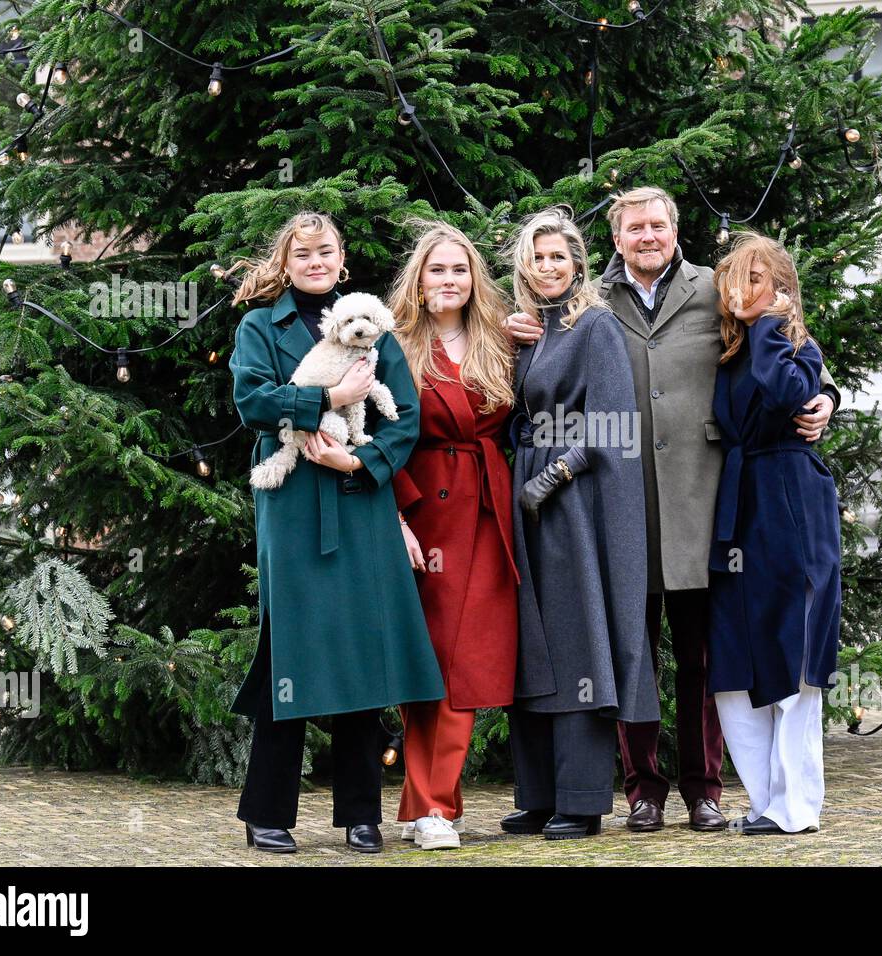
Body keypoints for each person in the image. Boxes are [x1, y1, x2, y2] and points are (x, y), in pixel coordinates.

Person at [504, 186, 840, 832]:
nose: (648, 236)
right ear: (616, 238)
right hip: (616, 504)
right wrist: (524, 329)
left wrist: (827, 392)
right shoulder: (586, 304)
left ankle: (703, 788)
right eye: (635, 228)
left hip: (705, 501)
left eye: (657, 225)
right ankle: (643, 788)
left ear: (674, 228)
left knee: (703, 654)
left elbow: (789, 337)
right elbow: (541, 362)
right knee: (631, 650)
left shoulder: (715, 289)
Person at [227, 210, 444, 854]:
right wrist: (326, 398)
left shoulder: (379, 329)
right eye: (303, 254)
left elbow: (405, 418)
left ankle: (360, 812)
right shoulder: (261, 326)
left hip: (358, 501)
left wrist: (358, 460)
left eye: (326, 252)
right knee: (287, 649)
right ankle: (268, 811)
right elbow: (253, 401)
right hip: (293, 507)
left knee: (362, 647)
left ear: (341, 258)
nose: (316, 262)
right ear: (286, 261)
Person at [498, 206, 658, 840]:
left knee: (577, 640)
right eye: (537, 259)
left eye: (557, 257)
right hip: (526, 496)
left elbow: (613, 423)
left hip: (574, 504)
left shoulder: (596, 327)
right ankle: (537, 795)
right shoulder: (532, 330)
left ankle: (583, 800)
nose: (547, 267)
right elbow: (511, 414)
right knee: (531, 641)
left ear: (578, 263)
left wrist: (553, 475)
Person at [386, 222, 519, 850]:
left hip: (489, 512)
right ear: (419, 278)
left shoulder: (501, 339)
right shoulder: (394, 345)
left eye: (459, 270)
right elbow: (372, 437)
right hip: (425, 512)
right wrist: (397, 518)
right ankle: (430, 805)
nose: (449, 281)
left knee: (467, 660)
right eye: (437, 270)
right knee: (429, 661)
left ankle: (431, 804)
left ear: (473, 279)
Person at [706, 230, 842, 835]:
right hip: (738, 509)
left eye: (756, 278)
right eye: (733, 278)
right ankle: (766, 800)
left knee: (793, 654)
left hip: (791, 501)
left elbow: (789, 393)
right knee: (733, 663)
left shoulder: (793, 347)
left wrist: (771, 322)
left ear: (782, 287)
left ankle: (797, 807)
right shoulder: (728, 352)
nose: (742, 288)